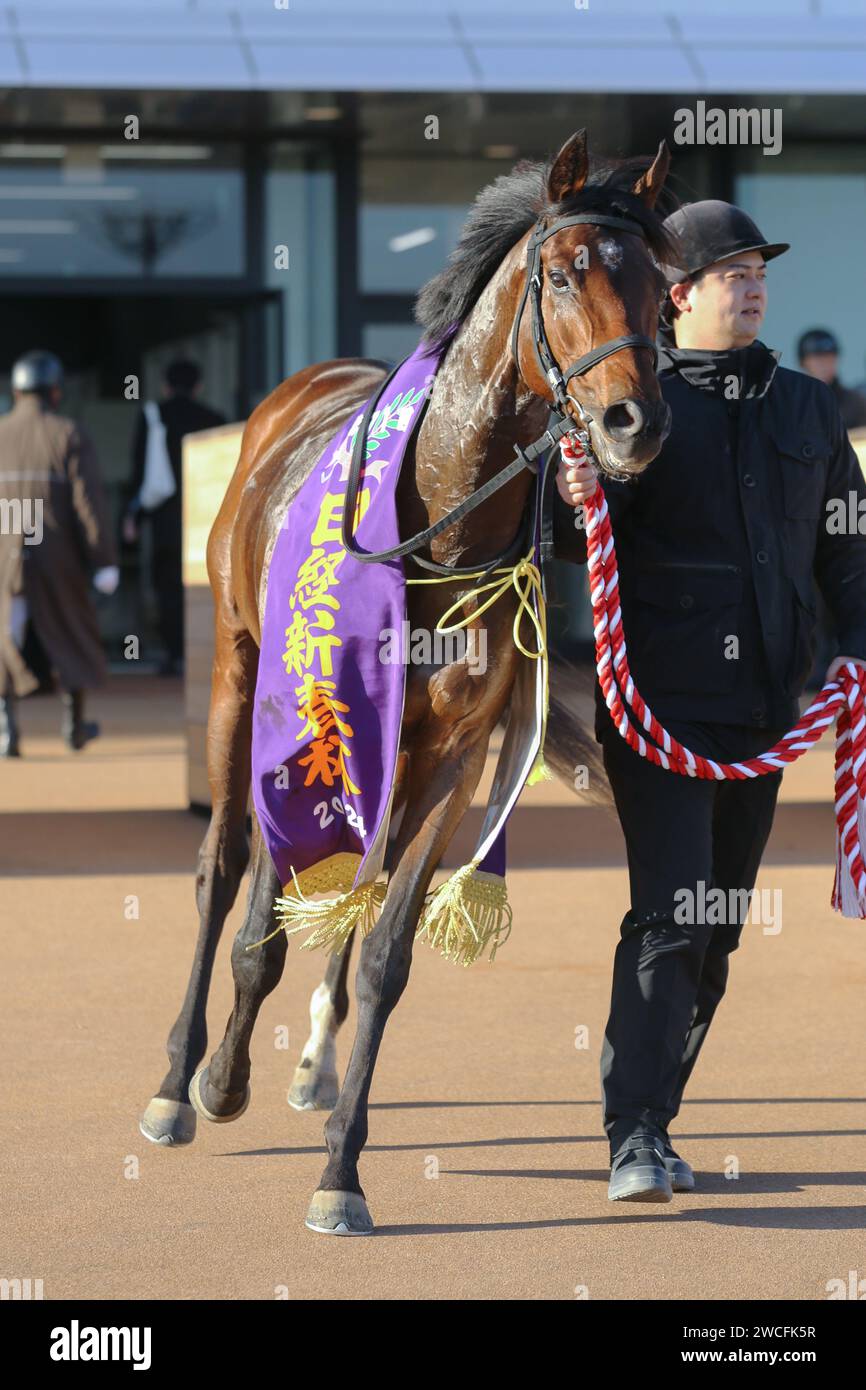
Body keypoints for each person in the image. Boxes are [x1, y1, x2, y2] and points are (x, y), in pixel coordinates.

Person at [552, 200, 866, 1202]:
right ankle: (632, 1132)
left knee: (720, 922)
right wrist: (572, 495)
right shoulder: (634, 405)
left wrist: (855, 656)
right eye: (732, 271)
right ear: (678, 296)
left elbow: (846, 554)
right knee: (672, 909)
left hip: (765, 710)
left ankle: (658, 1115)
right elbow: (578, 542)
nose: (754, 282)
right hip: (660, 706)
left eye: (757, 268)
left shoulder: (811, 411)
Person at [0, 350, 118, 756]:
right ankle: (73, 727)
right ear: (54, 392)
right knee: (70, 631)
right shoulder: (70, 432)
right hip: (56, 554)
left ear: (16, 391)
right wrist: (103, 560)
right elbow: (89, 504)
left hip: (4, 558)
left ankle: (6, 730)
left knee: (4, 638)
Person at [124, 358, 225, 675]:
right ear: (199, 386)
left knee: (167, 585)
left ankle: (172, 654)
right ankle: (203, 653)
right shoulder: (215, 419)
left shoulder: (152, 417)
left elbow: (140, 472)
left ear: (166, 386)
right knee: (205, 584)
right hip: (206, 517)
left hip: (164, 518)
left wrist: (132, 517)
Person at [797, 328, 866, 432]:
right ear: (803, 362)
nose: (824, 364)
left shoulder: (856, 403)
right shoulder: (791, 402)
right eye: (817, 358)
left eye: (829, 357)